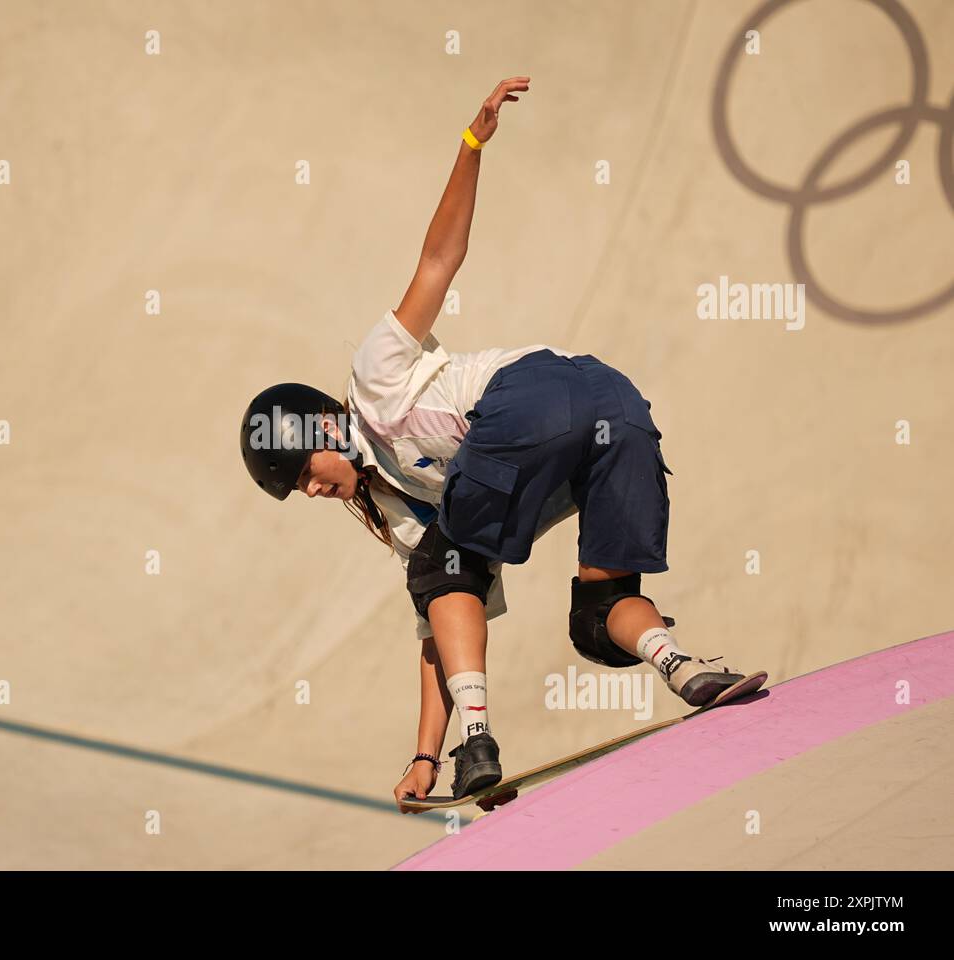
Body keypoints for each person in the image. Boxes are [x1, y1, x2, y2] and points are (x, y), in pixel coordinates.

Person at [239, 77, 764, 810]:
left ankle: (479, 742)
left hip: (529, 400)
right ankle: (684, 667)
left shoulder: (372, 380)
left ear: (323, 427)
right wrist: (423, 756)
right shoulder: (407, 514)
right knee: (595, 613)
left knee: (444, 566)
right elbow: (438, 630)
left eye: (307, 474)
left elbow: (437, 262)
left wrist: (471, 146)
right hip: (617, 407)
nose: (318, 492)